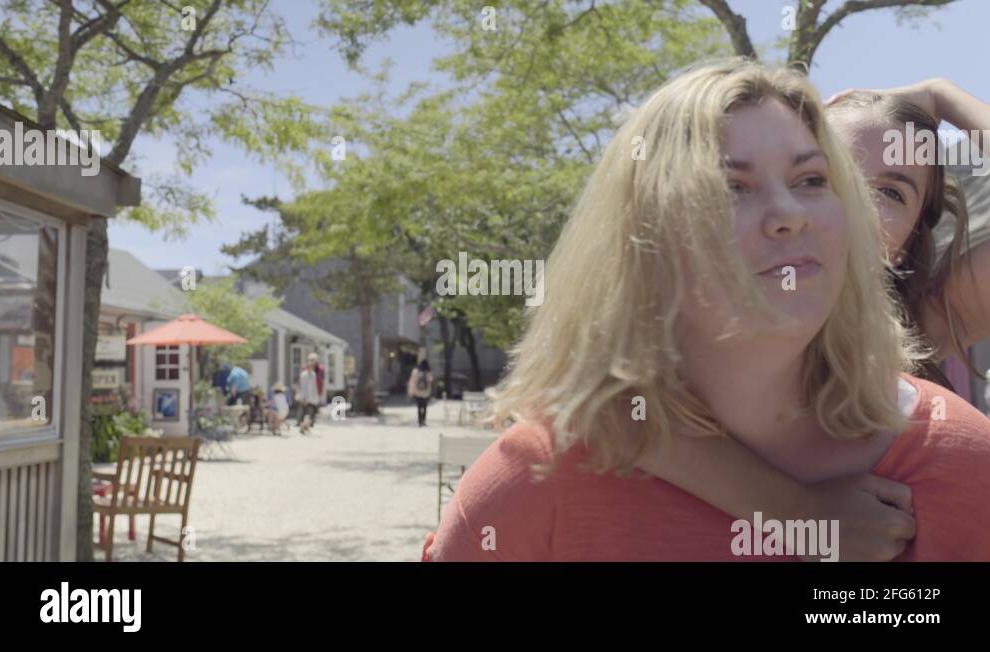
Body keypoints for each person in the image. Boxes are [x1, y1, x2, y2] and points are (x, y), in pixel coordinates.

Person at [421, 59, 990, 562]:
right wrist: (791, 514)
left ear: (916, 235)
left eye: (812, 179)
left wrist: (944, 95)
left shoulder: (957, 441)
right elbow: (605, 405)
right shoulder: (546, 475)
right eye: (732, 186)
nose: (792, 211)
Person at [630, 77, 990, 561]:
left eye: (891, 192)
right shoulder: (690, 307)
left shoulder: (924, 321)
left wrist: (945, 96)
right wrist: (795, 513)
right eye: (828, 174)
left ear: (907, 242)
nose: (857, 203)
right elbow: (603, 395)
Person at [298, 352, 324, 434]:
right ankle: (303, 426)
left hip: (313, 397)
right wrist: (303, 397)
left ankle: (306, 426)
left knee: (311, 413)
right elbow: (303, 386)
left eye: (313, 360)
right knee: (306, 412)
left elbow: (315, 387)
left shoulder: (316, 373)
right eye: (310, 361)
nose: (312, 363)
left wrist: (318, 396)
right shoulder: (304, 375)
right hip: (305, 397)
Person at [407, 359, 435, 426]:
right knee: (424, 407)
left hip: (417, 392)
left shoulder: (415, 371)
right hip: (426, 392)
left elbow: (412, 382)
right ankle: (424, 421)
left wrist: (410, 391)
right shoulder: (428, 372)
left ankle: (420, 421)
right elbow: (431, 380)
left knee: (419, 407)